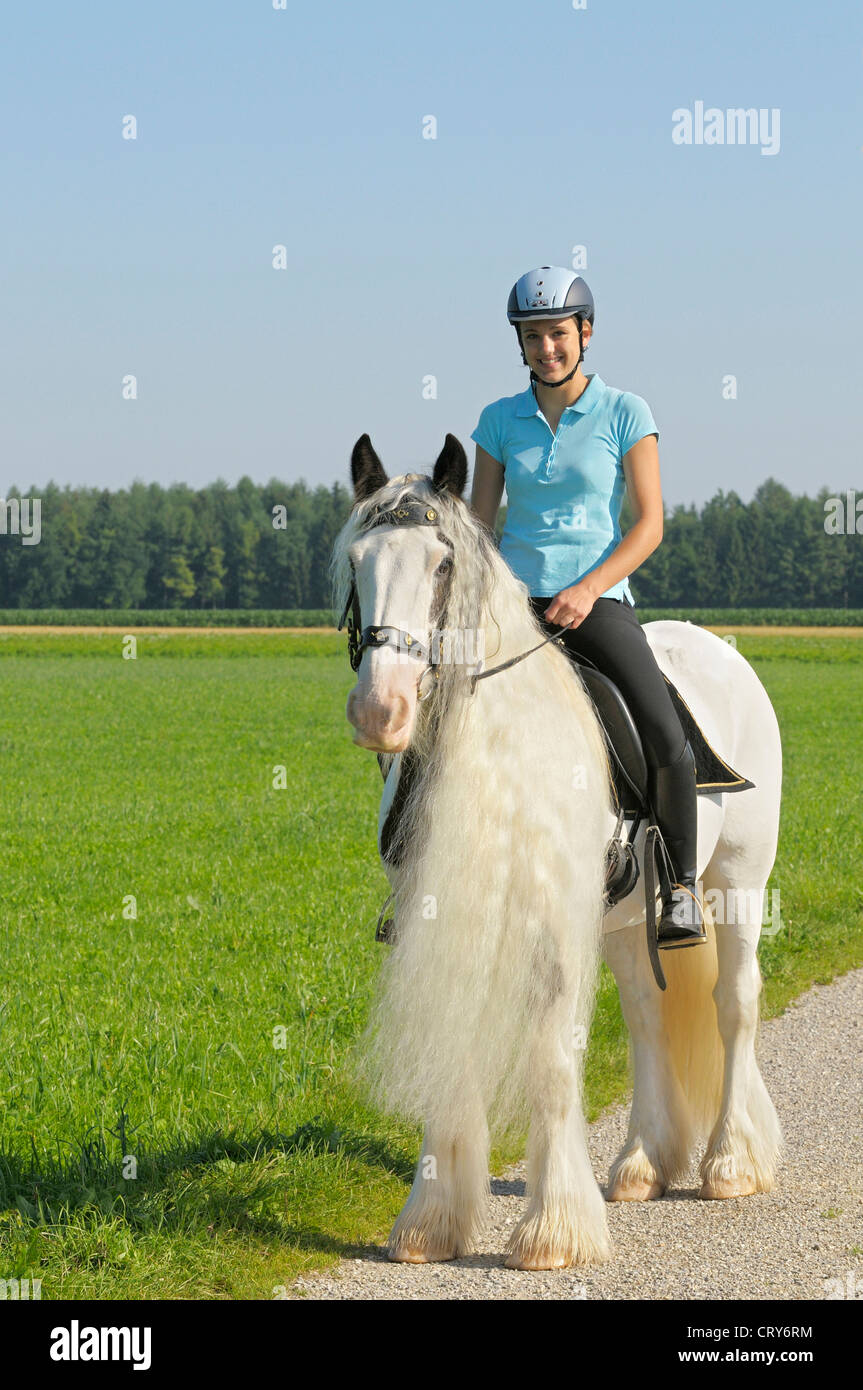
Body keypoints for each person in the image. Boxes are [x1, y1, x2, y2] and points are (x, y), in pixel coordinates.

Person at [469, 265, 704, 947]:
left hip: (594, 599)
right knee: (438, 712)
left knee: (662, 729)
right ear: (519, 344)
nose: (547, 347)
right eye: (533, 336)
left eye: (558, 334)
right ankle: (420, 876)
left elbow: (648, 524)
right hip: (512, 605)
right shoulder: (496, 421)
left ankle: (681, 886)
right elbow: (481, 526)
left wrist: (587, 587)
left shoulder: (626, 412)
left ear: (585, 333)